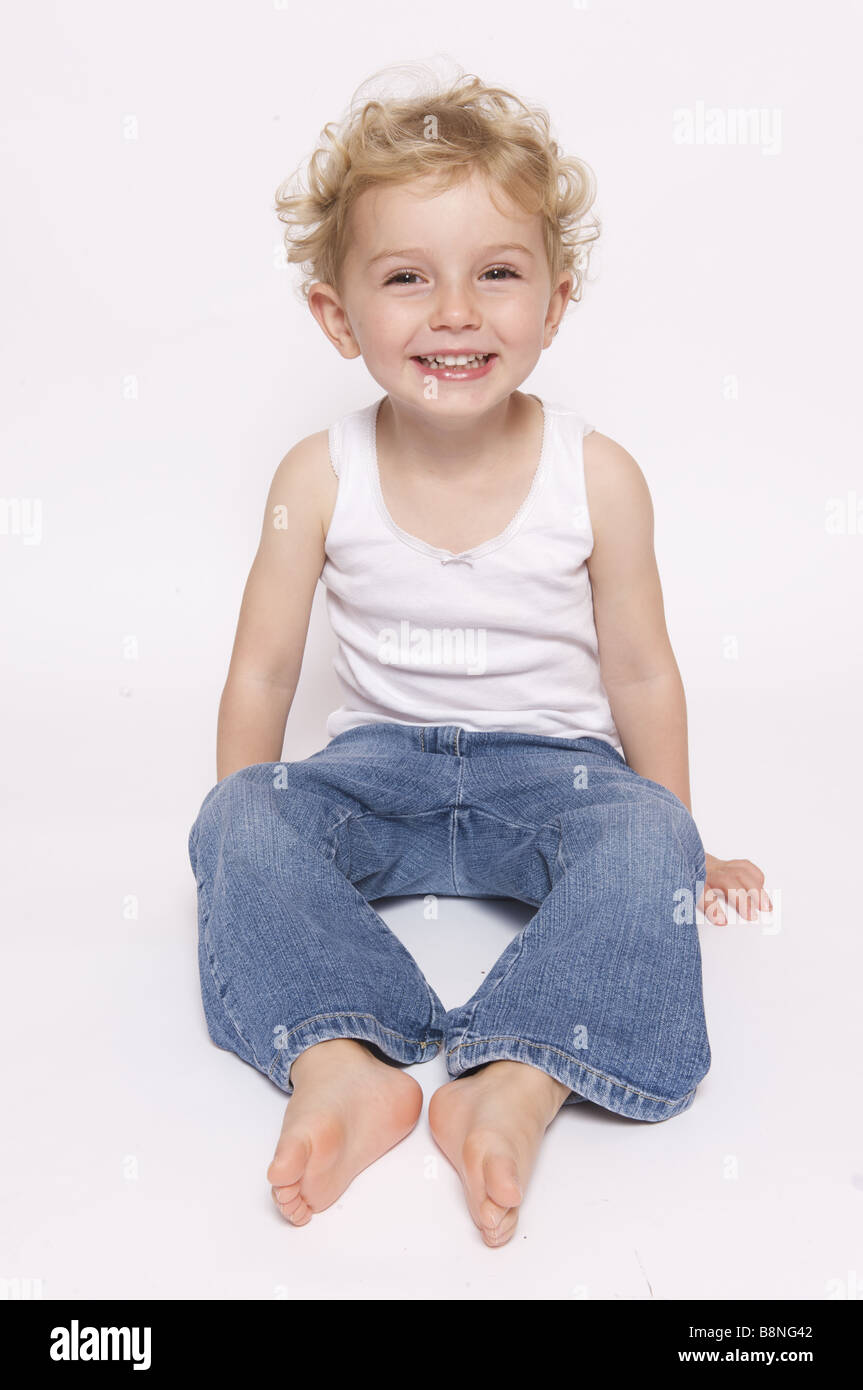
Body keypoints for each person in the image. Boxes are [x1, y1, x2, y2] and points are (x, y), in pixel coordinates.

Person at [187, 70, 771, 1248]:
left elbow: (642, 675)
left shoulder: (594, 474)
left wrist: (685, 833)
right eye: (406, 278)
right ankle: (347, 1060)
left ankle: (514, 1078)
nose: (454, 311)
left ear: (553, 303)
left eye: (495, 273)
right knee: (240, 815)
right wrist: (234, 840)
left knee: (644, 834)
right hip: (378, 771)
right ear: (337, 317)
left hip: (552, 774)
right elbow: (261, 673)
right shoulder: (319, 475)